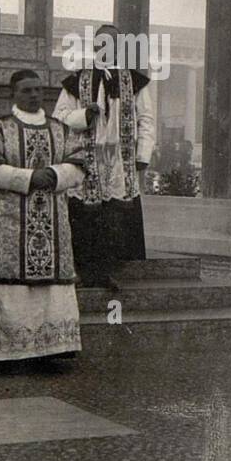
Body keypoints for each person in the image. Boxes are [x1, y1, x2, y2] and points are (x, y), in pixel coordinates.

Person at [0, 70, 87, 368]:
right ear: (13, 93)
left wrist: (52, 175)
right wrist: (29, 177)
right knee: (14, 286)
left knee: (50, 292)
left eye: (38, 90)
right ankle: (9, 354)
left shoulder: (61, 129)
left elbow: (78, 168)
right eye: (26, 90)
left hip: (53, 219)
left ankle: (50, 350)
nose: (34, 95)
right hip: (11, 222)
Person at [54, 24, 155, 285]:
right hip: (87, 155)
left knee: (116, 211)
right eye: (100, 44)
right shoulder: (77, 81)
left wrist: (143, 153)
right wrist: (84, 115)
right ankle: (87, 268)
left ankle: (115, 268)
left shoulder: (134, 81)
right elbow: (60, 117)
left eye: (111, 44)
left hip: (120, 157)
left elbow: (146, 119)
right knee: (87, 211)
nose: (105, 49)